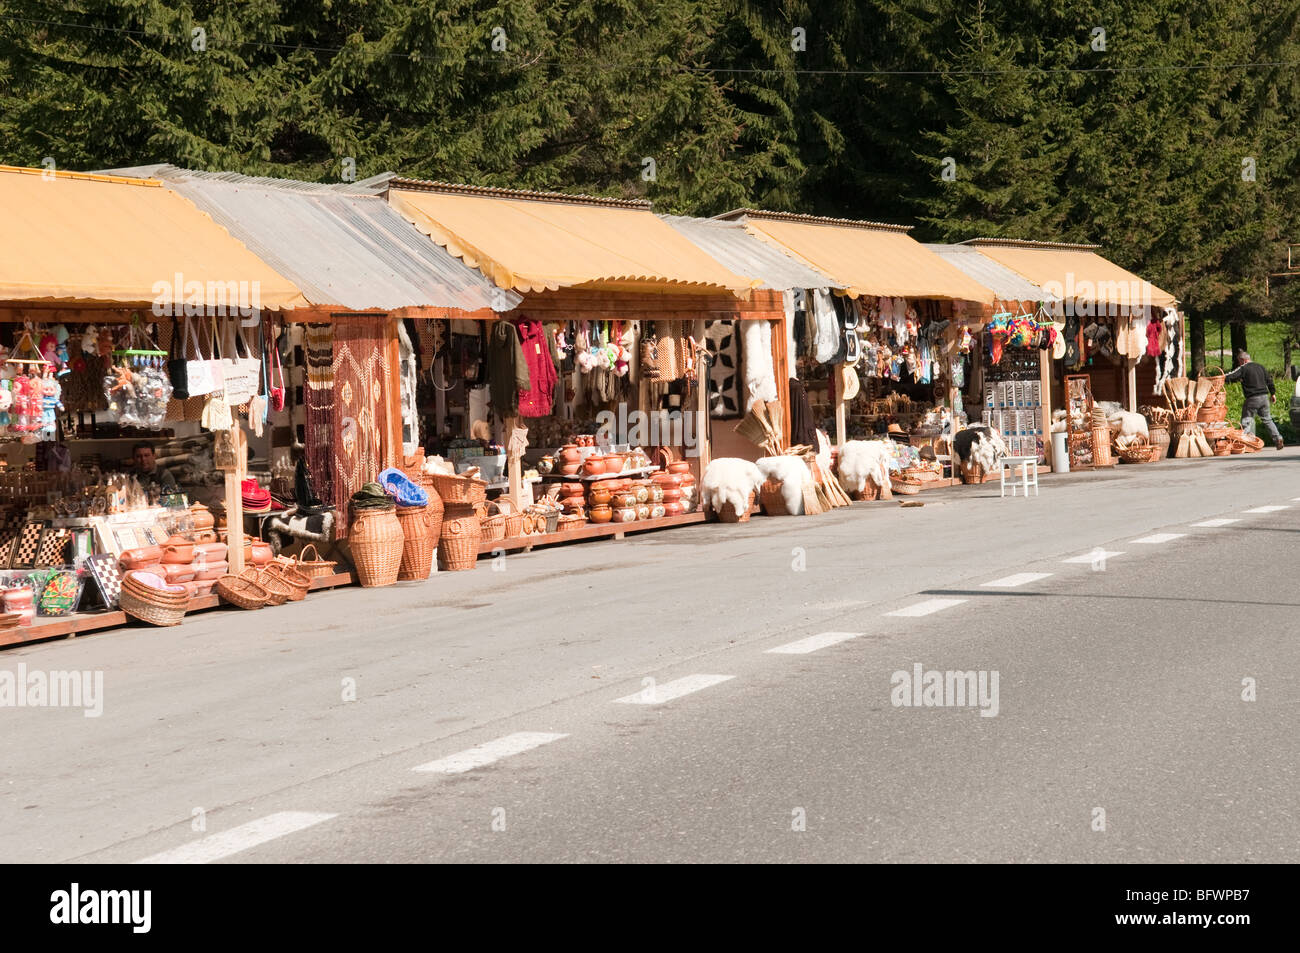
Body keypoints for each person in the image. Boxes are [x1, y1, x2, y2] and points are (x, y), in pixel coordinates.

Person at [1223, 351, 1284, 450]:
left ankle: (1246, 443)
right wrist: (1273, 393)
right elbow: (1269, 380)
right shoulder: (1261, 367)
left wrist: (1222, 377)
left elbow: (1232, 375)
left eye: (1239, 361)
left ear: (1243, 360)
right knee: (1267, 420)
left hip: (1252, 398)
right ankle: (1278, 438)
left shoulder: (1244, 368)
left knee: (1247, 419)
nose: (1239, 364)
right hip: (1264, 397)